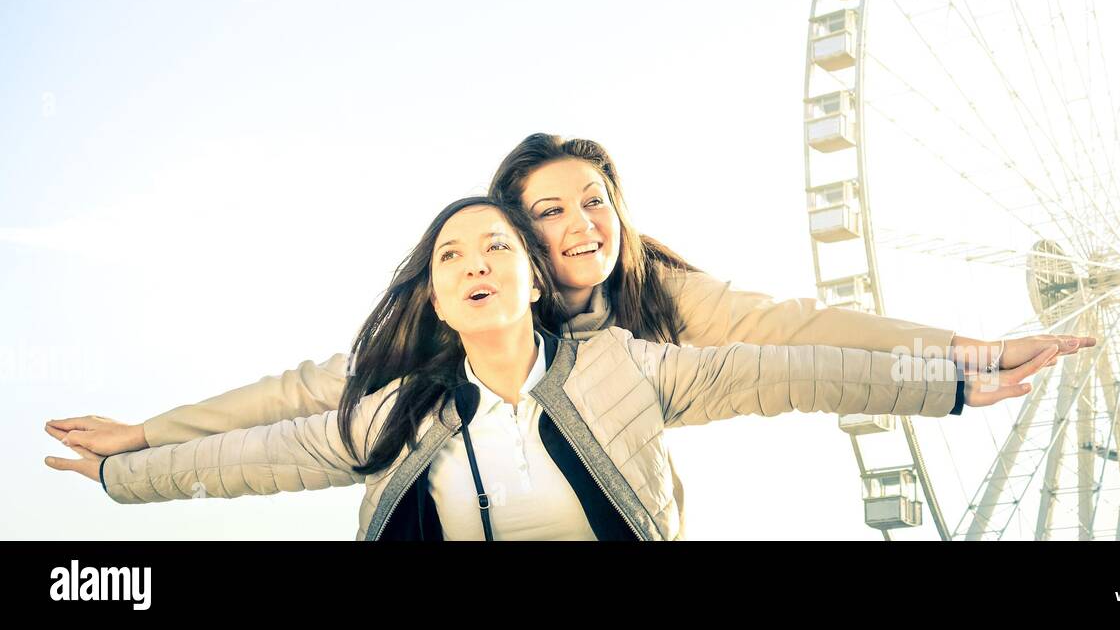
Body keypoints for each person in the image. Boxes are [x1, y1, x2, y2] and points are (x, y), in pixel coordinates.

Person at [46, 133, 1095, 475]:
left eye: (596, 200)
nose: (582, 223)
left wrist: (952, 355)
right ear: (517, 239)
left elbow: (808, 339)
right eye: (549, 210)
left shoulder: (662, 300)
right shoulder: (462, 327)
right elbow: (310, 395)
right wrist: (147, 435)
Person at [47, 196, 1061, 540]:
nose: (474, 263)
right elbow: (265, 450)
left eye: (495, 246)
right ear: (435, 299)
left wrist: (959, 374)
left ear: (533, 278)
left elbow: (796, 364)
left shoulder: (634, 367)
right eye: (450, 256)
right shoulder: (398, 407)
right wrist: (122, 464)